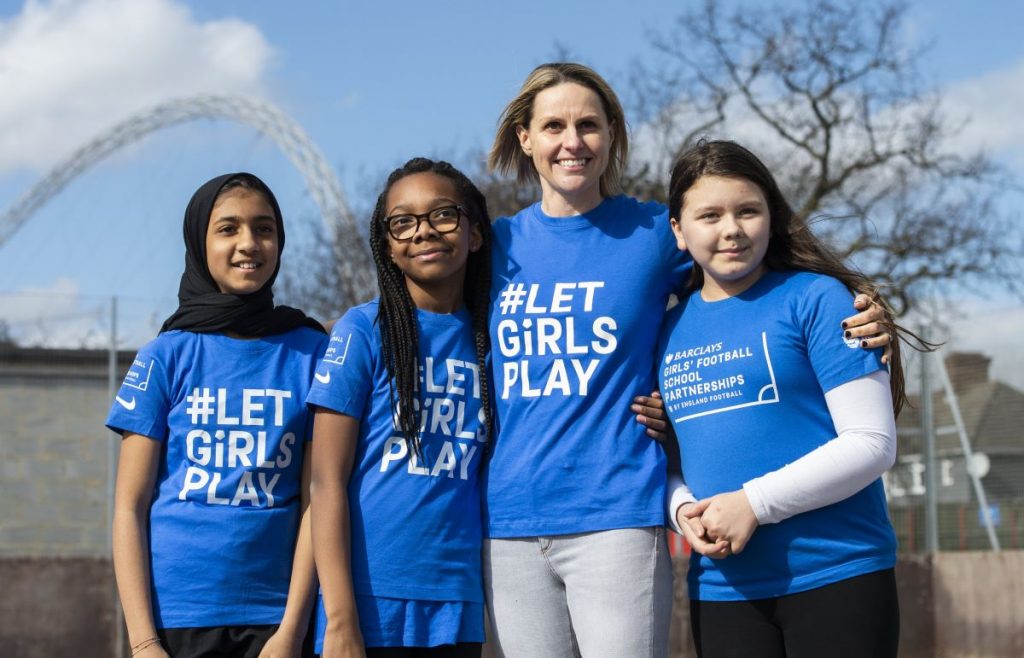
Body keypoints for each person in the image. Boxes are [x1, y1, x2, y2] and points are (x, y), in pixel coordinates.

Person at [483, 62, 891, 657]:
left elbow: (744, 273)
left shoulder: (652, 234)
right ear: (525, 138)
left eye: (589, 124)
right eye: (553, 126)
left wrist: (867, 305)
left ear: (613, 133)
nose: (572, 142)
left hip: (617, 513)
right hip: (509, 520)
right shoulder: (493, 247)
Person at [660, 140, 904, 657]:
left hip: (837, 572)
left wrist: (754, 504)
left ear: (772, 217)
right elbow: (664, 461)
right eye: (709, 215)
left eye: (748, 210)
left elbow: (872, 443)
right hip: (723, 588)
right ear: (679, 231)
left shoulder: (819, 299)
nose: (731, 228)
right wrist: (683, 511)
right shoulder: (664, 329)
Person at [109, 173, 328, 658]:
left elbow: (319, 498)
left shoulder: (313, 353)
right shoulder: (164, 356)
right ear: (198, 241)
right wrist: (143, 642)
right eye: (228, 229)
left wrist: (291, 632)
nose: (249, 243)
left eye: (264, 228)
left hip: (276, 622)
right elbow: (129, 506)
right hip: (176, 621)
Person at [307, 158, 493, 658]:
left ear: (474, 234)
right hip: (369, 607)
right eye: (403, 222)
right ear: (388, 246)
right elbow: (325, 482)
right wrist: (341, 618)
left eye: (443, 215)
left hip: (457, 605)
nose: (424, 231)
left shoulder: (492, 339)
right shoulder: (362, 330)